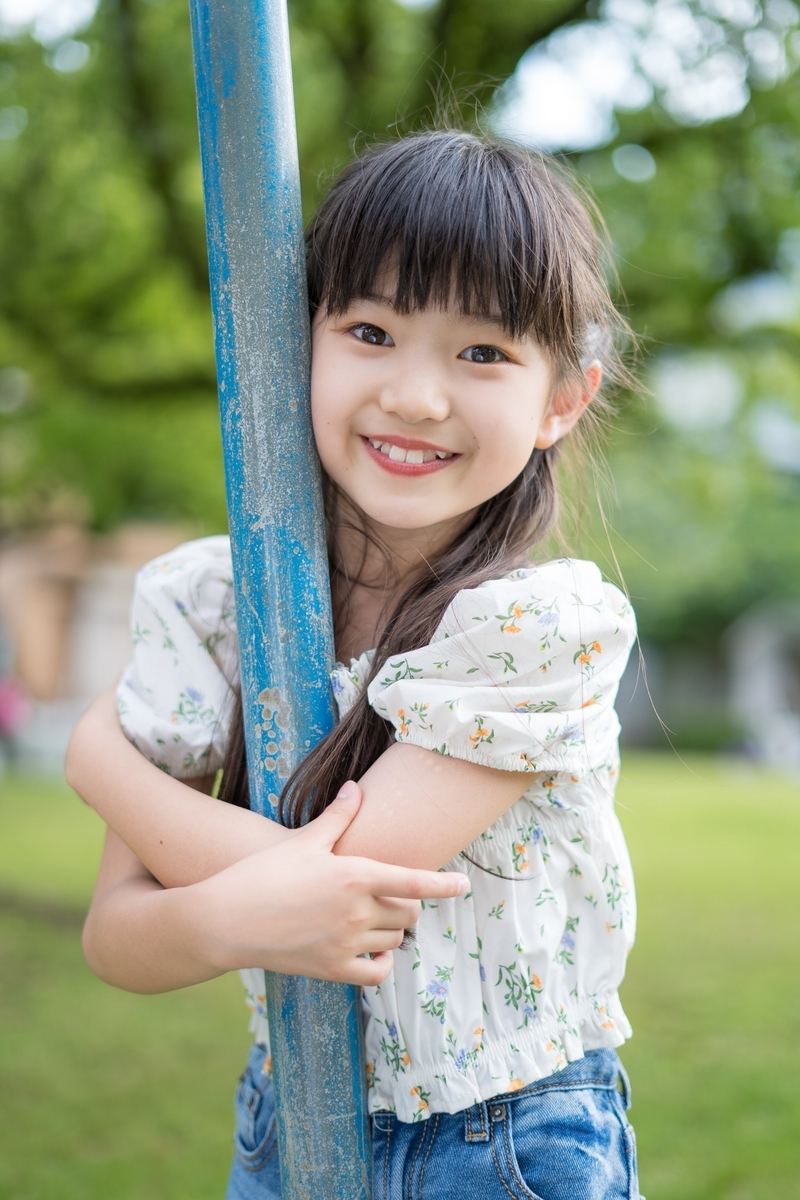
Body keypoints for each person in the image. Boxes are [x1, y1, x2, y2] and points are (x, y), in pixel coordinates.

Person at [66, 130, 641, 1200]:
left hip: (507, 1146)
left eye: (481, 353)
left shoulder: (538, 630)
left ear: (561, 399)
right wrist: (222, 921)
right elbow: (117, 936)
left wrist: (98, 762)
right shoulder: (206, 603)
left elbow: (343, 882)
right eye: (369, 330)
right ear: (298, 346)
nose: (416, 396)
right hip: (285, 1126)